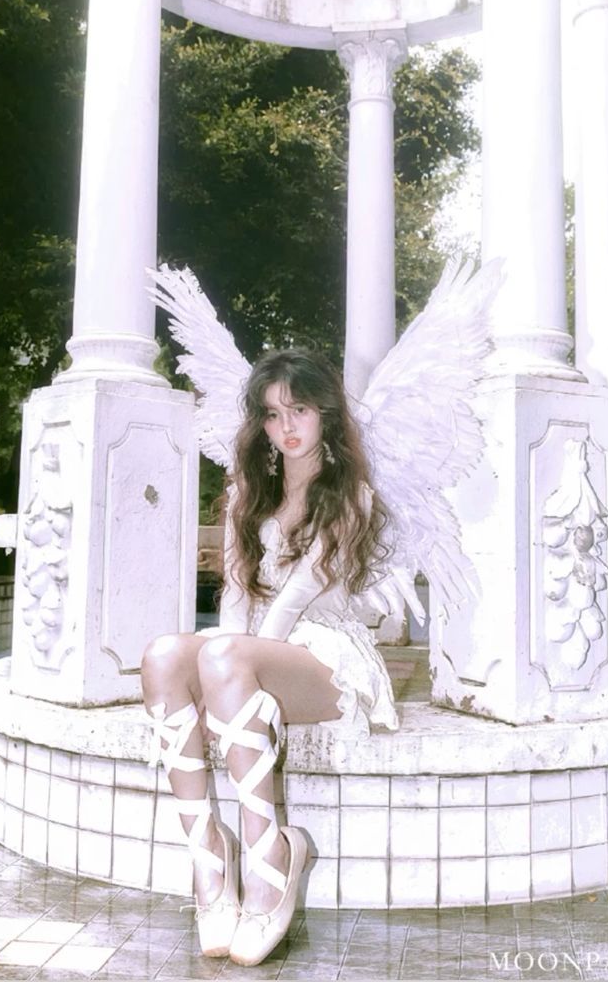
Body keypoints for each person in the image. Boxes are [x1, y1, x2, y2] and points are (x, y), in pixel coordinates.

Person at [141, 348, 399, 967]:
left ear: (326, 416)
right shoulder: (246, 493)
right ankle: (210, 859)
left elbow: (295, 602)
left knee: (222, 654)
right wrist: (210, 668)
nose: (286, 426)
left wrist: (226, 663)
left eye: (301, 409)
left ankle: (271, 856)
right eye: (272, 413)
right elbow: (236, 594)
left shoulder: (350, 494)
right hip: (252, 653)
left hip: (329, 659)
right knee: (162, 656)